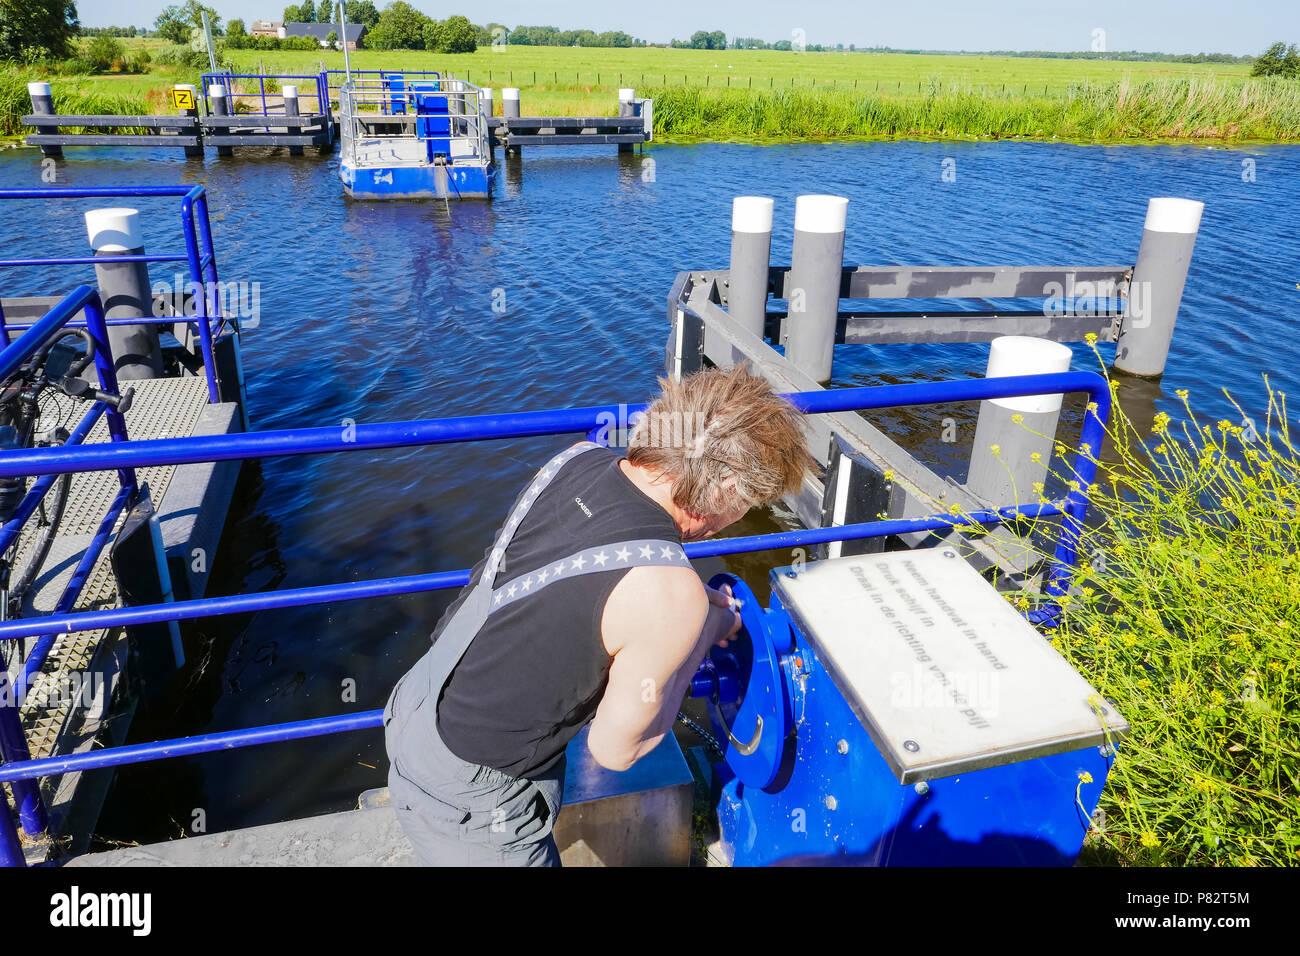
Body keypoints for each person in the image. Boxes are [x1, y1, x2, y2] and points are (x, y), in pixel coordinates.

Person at [382, 363, 816, 865]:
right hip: (473, 797)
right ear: (724, 489)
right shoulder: (670, 597)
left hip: (417, 705)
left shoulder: (577, 461)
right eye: (751, 501)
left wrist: (681, 604)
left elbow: (597, 573)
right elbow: (618, 752)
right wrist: (696, 628)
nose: (740, 518)